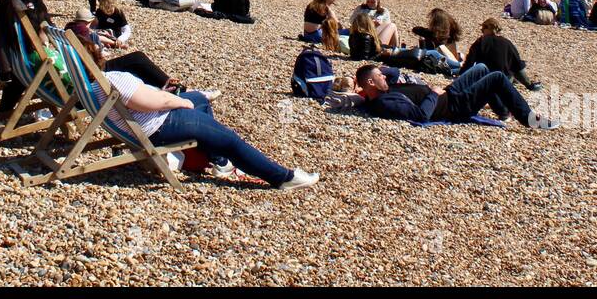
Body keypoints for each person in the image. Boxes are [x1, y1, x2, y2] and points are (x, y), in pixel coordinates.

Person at [87, 70, 318, 189]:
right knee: (230, 140)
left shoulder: (96, 85)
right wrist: (178, 101)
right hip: (158, 125)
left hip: (145, 122)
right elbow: (150, 103)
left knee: (200, 98)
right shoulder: (113, 80)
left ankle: (219, 162)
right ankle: (282, 178)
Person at [353, 62, 556, 129]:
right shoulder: (385, 102)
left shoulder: (383, 89)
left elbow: (394, 72)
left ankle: (503, 111)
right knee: (496, 77)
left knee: (482, 68)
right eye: (380, 76)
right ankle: (529, 119)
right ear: (371, 83)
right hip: (455, 106)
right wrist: (433, 93)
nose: (385, 78)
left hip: (449, 93)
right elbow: (421, 116)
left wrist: (381, 69)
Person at [463, 18, 541, 90]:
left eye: (483, 29)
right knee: (513, 68)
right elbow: (517, 66)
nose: (482, 32)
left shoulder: (480, 42)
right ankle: (525, 84)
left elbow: (470, 61)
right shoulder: (507, 43)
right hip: (504, 81)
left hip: (485, 80)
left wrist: (461, 75)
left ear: (488, 29)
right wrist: (529, 85)